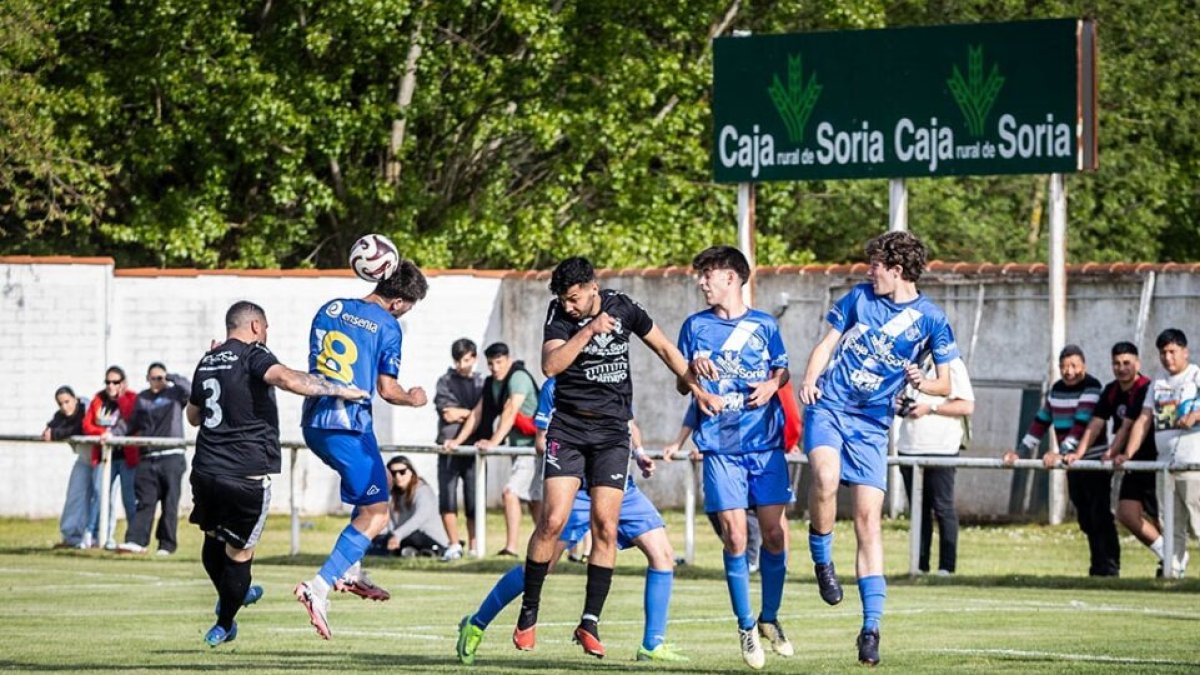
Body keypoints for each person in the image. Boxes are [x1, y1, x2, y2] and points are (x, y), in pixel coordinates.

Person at [513, 256, 716, 658]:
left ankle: (589, 621)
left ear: (593, 286)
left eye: (574, 298)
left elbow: (664, 348)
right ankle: (529, 612)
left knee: (605, 526)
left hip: (611, 434)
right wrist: (588, 329)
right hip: (569, 430)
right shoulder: (559, 315)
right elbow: (551, 365)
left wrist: (699, 390)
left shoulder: (624, 306)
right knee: (551, 521)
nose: (568, 305)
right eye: (564, 300)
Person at [798, 231, 958, 667]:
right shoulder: (858, 298)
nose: (869, 272)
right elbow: (826, 345)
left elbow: (945, 382)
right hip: (830, 407)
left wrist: (921, 381)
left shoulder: (931, 319)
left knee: (869, 521)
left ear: (898, 270)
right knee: (826, 478)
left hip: (873, 424)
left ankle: (870, 629)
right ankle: (822, 561)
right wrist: (810, 381)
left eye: (876, 266)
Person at [456, 376, 687, 664]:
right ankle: (476, 623)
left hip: (619, 487)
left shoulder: (613, 375)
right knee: (541, 567)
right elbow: (541, 441)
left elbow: (628, 424)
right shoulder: (555, 386)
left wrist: (638, 453)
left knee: (663, 554)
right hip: (576, 491)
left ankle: (652, 644)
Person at [186, 300, 368, 647]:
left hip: (205, 470)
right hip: (245, 476)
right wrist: (339, 389)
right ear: (255, 326)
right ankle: (225, 622)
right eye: (266, 328)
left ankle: (233, 595)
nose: (266, 335)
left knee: (212, 540)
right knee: (239, 553)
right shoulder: (254, 354)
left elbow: (193, 417)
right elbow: (285, 378)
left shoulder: (207, 359)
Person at [294, 260, 429, 640]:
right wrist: (414, 398)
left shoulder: (331, 307)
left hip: (317, 420)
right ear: (400, 302)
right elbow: (388, 389)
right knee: (376, 514)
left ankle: (351, 569)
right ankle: (319, 586)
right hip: (347, 425)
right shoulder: (390, 325)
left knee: (382, 480)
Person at [675, 245, 792, 670]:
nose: (702, 282)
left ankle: (771, 618)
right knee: (736, 538)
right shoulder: (694, 326)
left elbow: (782, 368)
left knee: (776, 535)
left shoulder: (764, 325)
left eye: (708, 274)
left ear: (732, 277)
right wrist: (696, 380)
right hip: (720, 447)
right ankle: (745, 627)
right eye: (700, 275)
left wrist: (773, 385)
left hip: (765, 445)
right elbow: (681, 383)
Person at [1003, 345, 1110, 575]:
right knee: (1084, 517)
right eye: (1064, 366)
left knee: (1099, 514)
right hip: (1070, 463)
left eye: (1074, 366)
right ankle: (1098, 565)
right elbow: (1040, 423)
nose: (1069, 371)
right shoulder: (1056, 390)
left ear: (1084, 366)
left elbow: (1081, 425)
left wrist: (1061, 454)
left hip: (1093, 460)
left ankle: (1108, 567)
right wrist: (1020, 452)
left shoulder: (1092, 387)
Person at [1073, 342, 1164, 574]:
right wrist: (1079, 453)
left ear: (1138, 364)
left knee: (1160, 518)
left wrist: (1113, 452)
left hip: (1153, 461)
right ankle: (1169, 556)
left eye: (1126, 363)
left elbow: (1127, 426)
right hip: (1130, 462)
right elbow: (1097, 422)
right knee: (1126, 514)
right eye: (1116, 363)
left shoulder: (1146, 387)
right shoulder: (1112, 390)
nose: (1121, 368)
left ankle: (1171, 561)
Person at [444, 342, 541, 558]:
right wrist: (458, 441)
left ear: (508, 359)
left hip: (535, 448)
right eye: (491, 364)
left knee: (510, 493)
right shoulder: (491, 384)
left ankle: (511, 548)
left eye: (499, 362)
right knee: (536, 501)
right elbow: (477, 415)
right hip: (520, 450)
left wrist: (493, 442)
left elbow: (511, 410)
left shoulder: (518, 377)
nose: (495, 368)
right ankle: (546, 548)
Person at [1121, 328, 1200, 577]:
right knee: (1170, 523)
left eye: (1172, 352)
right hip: (1165, 465)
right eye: (1163, 353)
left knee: (1198, 523)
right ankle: (1173, 571)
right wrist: (1129, 454)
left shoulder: (1196, 376)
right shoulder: (1158, 383)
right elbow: (1144, 421)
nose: (1168, 358)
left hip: (1193, 463)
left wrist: (1195, 416)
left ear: (1185, 352)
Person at [895, 355, 975, 576]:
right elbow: (898, 399)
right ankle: (919, 566)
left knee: (943, 508)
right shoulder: (910, 361)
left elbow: (966, 405)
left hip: (942, 448)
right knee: (919, 511)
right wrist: (902, 407)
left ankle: (946, 567)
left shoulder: (952, 364)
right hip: (909, 448)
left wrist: (929, 408)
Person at [118, 363, 191, 555]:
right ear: (147, 379)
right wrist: (112, 434)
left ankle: (166, 545)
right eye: (153, 378)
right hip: (148, 458)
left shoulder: (175, 394)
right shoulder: (143, 398)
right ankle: (136, 541)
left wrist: (171, 377)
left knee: (170, 503)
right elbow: (130, 424)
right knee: (145, 501)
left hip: (172, 456)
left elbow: (190, 389)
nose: (157, 382)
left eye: (160, 378)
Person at [434, 338, 484, 560]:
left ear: (474, 358)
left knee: (474, 499)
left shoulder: (482, 383)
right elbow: (448, 414)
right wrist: (473, 413)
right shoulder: (445, 381)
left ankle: (475, 545)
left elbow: (485, 414)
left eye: (464, 360)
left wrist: (465, 413)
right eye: (457, 360)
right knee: (448, 497)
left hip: (475, 449)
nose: (460, 365)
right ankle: (454, 544)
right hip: (448, 447)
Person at [81, 366, 139, 549]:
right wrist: (105, 433)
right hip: (105, 457)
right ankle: (96, 535)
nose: (111, 385)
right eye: (108, 382)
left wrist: (120, 398)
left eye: (115, 382)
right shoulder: (98, 399)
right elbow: (87, 425)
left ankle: (133, 538)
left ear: (123, 383)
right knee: (100, 495)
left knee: (129, 499)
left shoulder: (131, 398)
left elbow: (131, 419)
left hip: (127, 457)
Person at [367, 455, 450, 557]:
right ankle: (407, 552)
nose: (398, 476)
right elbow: (388, 521)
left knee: (414, 536)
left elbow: (418, 519)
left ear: (411, 472)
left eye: (402, 472)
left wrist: (397, 535)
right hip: (403, 536)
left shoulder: (423, 491)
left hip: (428, 537)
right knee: (378, 541)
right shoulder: (391, 494)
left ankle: (429, 552)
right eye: (393, 473)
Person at [45, 386, 93, 548]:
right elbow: (51, 427)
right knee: (75, 495)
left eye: (67, 402)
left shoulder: (86, 408)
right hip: (84, 459)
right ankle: (71, 537)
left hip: (102, 459)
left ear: (75, 398)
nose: (65, 407)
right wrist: (50, 431)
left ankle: (99, 538)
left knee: (101, 498)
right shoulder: (61, 416)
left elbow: (81, 428)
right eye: (61, 404)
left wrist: (56, 433)